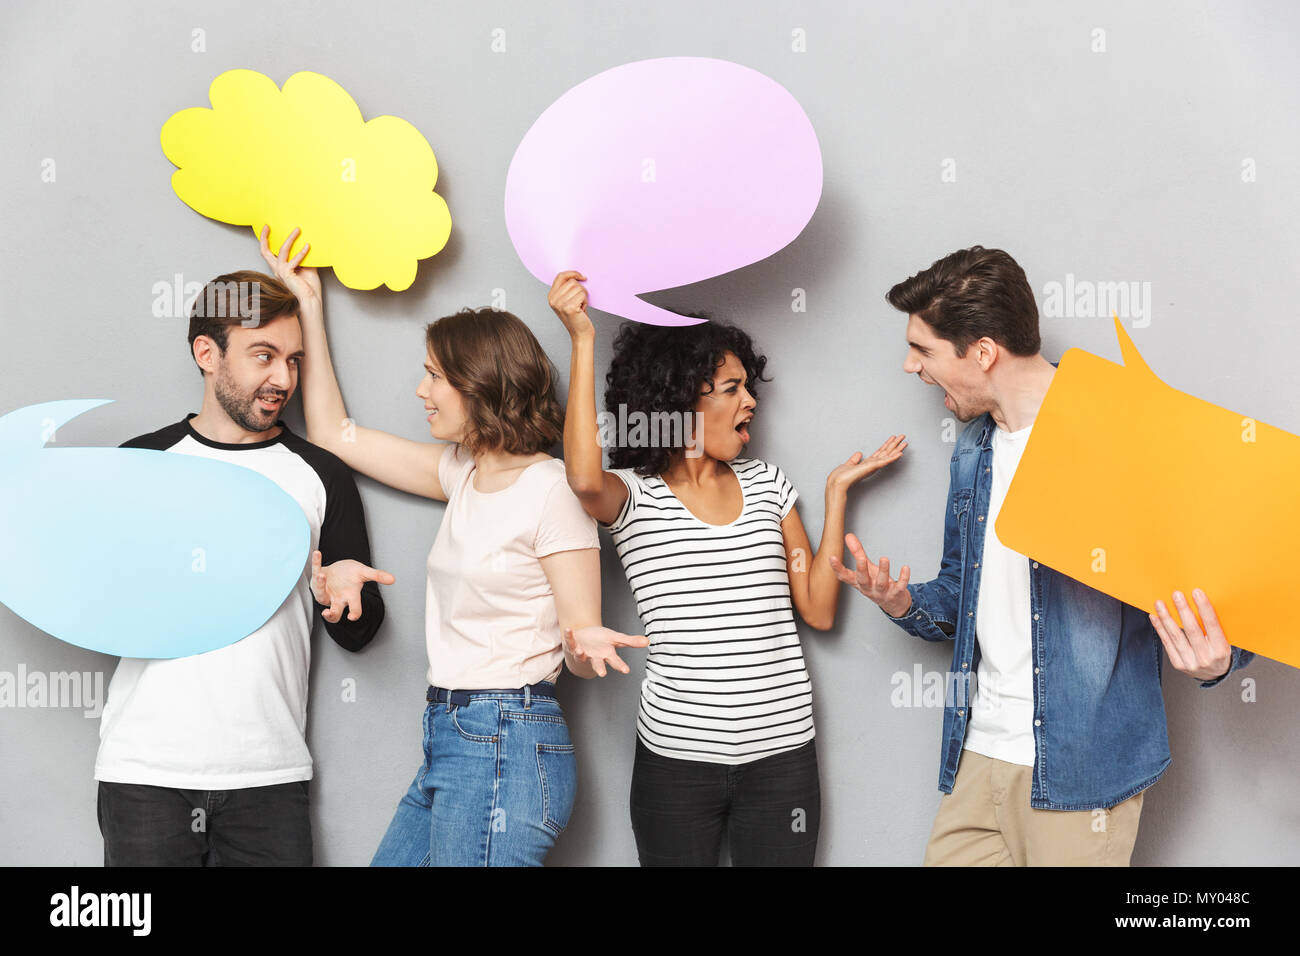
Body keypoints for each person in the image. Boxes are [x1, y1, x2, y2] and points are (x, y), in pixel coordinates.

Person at [829, 245, 1254, 866]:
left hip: (1082, 772)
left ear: (982, 351)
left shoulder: (1121, 435)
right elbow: (961, 594)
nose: (909, 367)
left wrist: (1219, 662)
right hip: (978, 757)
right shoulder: (975, 450)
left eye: (923, 350)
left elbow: (1225, 585)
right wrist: (904, 602)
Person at [260, 230, 646, 866]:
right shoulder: (463, 472)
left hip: (506, 740)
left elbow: (580, 645)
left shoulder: (551, 491)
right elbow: (335, 433)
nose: (421, 391)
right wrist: (308, 302)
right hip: (453, 735)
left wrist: (583, 643)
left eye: (435, 376)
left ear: (481, 385)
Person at [548, 270, 905, 866]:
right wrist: (581, 338)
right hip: (675, 764)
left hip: (783, 758)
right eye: (732, 388)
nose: (751, 402)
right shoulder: (634, 495)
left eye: (749, 387)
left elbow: (817, 609)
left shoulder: (768, 486)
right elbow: (583, 476)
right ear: (681, 401)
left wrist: (837, 491)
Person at [95, 267, 392, 866]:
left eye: (293, 359)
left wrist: (342, 598)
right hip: (143, 772)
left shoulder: (321, 473)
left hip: (268, 778)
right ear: (208, 353)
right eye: (264, 355)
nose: (283, 378)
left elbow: (358, 633)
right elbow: (97, 605)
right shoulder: (138, 464)